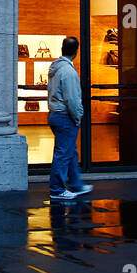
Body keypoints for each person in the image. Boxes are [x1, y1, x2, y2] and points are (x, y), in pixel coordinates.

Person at [46, 36, 92, 200]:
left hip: (55, 114)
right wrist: (78, 116)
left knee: (70, 151)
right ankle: (57, 189)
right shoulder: (69, 72)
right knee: (64, 153)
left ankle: (75, 184)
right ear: (76, 52)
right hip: (65, 116)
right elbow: (72, 99)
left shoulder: (55, 68)